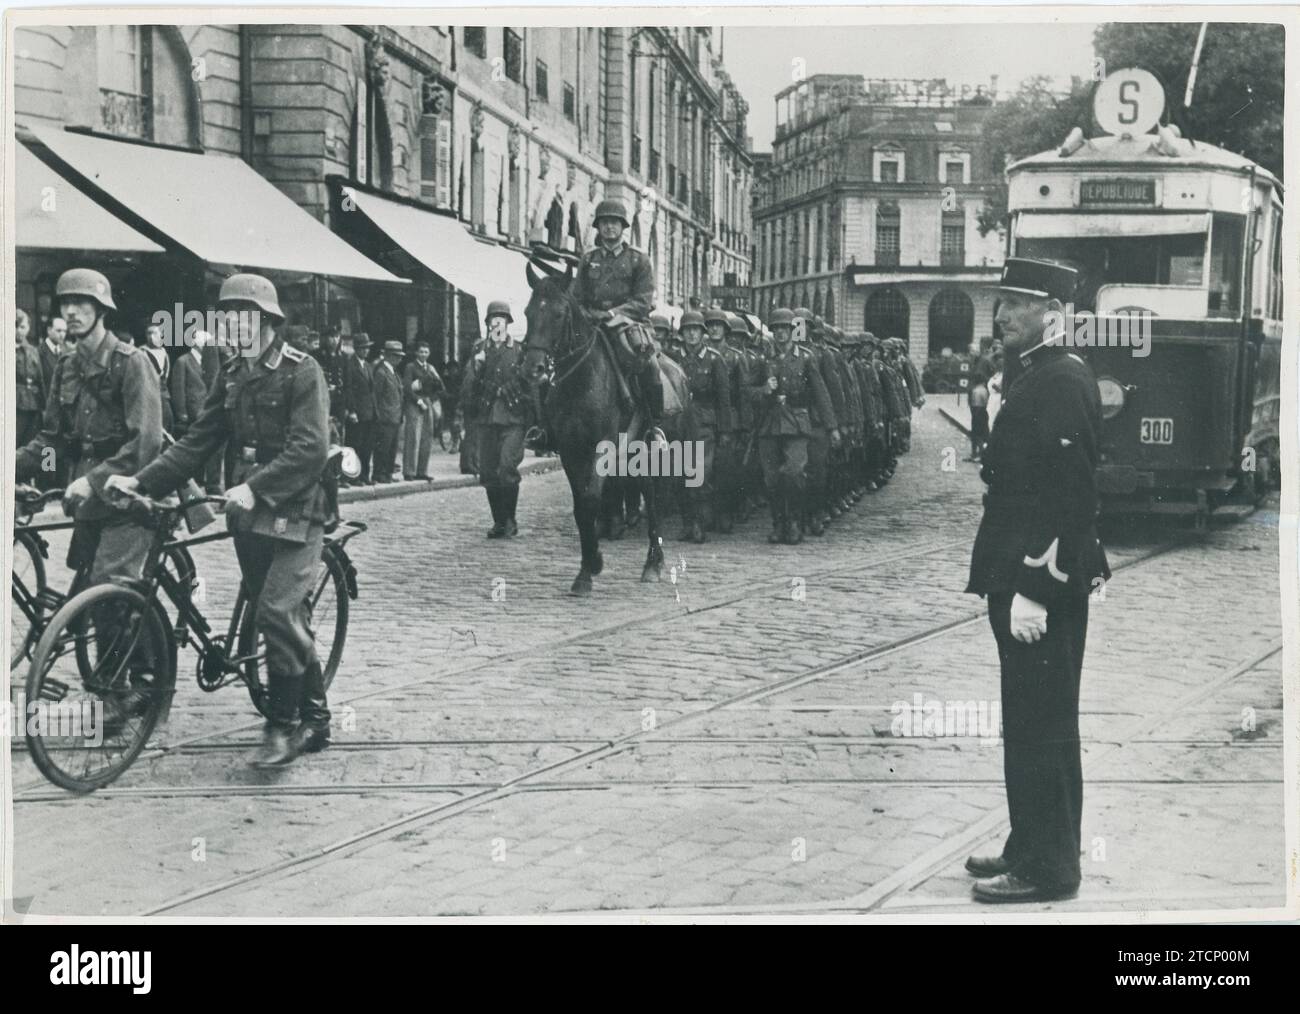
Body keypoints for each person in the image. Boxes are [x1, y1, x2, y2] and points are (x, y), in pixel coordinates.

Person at [109, 272, 333, 769]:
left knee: (276, 611)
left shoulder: (303, 371)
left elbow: (310, 447)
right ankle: (317, 717)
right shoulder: (230, 373)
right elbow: (198, 440)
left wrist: (255, 486)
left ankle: (281, 724)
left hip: (297, 511)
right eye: (227, 316)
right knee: (280, 613)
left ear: (268, 322)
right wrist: (142, 482)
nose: (232, 324)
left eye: (243, 316)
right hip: (247, 515)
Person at [965, 258, 1111, 903]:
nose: (1001, 316)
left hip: (1036, 575)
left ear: (1052, 314)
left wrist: (1035, 586)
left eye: (1017, 305)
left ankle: (1050, 869)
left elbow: (1069, 495)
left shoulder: (1060, 380)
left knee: (1042, 721)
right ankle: (1029, 842)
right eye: (1002, 302)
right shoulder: (1039, 374)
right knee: (1027, 718)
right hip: (1021, 566)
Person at [16, 269, 163, 586]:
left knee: (108, 593)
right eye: (65, 303)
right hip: (89, 504)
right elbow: (52, 444)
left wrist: (91, 482)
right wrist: (27, 471)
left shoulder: (132, 362)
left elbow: (145, 444)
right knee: (81, 606)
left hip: (130, 501)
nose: (70, 311)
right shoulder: (66, 366)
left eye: (81, 303)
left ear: (101, 310)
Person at [574, 197, 663, 438]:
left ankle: (655, 426)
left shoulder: (638, 259)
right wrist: (587, 315)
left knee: (651, 368)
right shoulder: (588, 259)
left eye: (614, 222)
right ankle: (549, 428)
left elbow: (643, 300)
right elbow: (577, 297)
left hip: (628, 325)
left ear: (623, 227)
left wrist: (614, 313)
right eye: (604, 222)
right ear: (598, 227)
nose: (609, 227)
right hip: (592, 325)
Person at [751, 307, 836, 545]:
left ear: (792, 330)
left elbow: (821, 393)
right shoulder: (763, 359)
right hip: (769, 424)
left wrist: (832, 426)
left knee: (795, 472)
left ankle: (795, 521)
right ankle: (779, 524)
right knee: (771, 479)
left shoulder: (806, 358)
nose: (780, 333)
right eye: (776, 329)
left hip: (798, 422)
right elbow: (747, 392)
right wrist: (764, 390)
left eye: (785, 329)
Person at [462, 304, 528, 537]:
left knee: (507, 467)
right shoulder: (479, 349)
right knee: (489, 472)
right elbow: (469, 386)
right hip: (487, 417)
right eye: (493, 319)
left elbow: (527, 383)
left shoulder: (519, 350)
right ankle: (498, 522)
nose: (497, 323)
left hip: (512, 418)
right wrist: (476, 366)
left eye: (501, 319)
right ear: (488, 323)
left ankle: (510, 519)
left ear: (508, 323)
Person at [677, 309, 730, 543]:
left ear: (702, 333)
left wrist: (725, 431)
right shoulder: (674, 359)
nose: (691, 335)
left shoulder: (714, 359)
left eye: (696, 330)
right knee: (680, 475)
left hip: (705, 423)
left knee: (700, 473)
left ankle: (700, 522)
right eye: (687, 330)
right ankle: (688, 523)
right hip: (679, 424)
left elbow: (723, 398)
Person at [401, 340, 444, 480]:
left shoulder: (430, 368)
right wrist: (418, 400)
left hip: (427, 402)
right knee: (413, 436)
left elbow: (441, 387)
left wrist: (431, 397)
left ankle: (422, 471)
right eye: (421, 352)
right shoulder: (410, 367)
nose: (423, 354)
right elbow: (407, 388)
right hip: (415, 402)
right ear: (416, 353)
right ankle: (409, 471)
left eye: (426, 352)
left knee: (427, 437)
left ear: (429, 353)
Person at [371, 340, 404, 482]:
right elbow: (376, 396)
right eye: (396, 356)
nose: (399, 359)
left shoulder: (393, 372)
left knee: (392, 448)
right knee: (383, 448)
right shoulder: (381, 372)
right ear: (388, 356)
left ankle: (388, 473)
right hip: (385, 417)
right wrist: (378, 415)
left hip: (394, 416)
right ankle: (380, 474)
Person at [15, 309, 45, 447]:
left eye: (22, 327)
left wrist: (44, 406)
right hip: (15, 404)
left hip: (33, 404)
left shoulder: (33, 351)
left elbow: (40, 379)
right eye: (15, 326)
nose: (19, 330)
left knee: (31, 443)